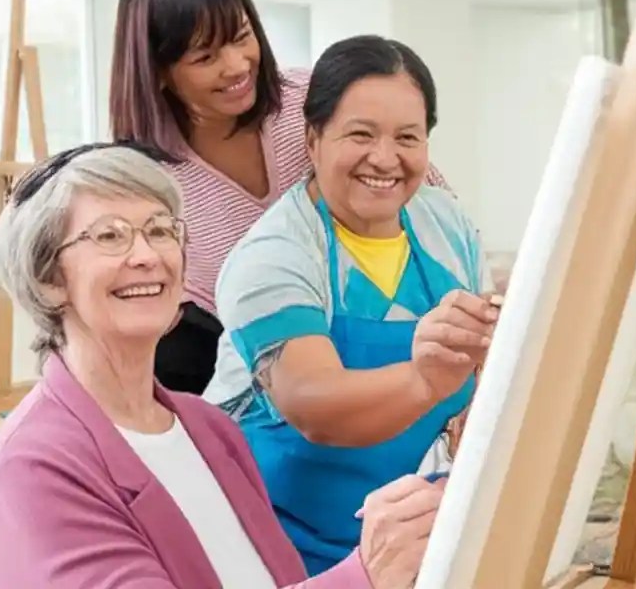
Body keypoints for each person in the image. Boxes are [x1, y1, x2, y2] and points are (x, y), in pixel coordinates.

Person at [0, 142, 445, 588]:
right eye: (110, 236)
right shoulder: (35, 466)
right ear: (49, 279)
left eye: (160, 230)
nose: (147, 256)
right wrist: (365, 574)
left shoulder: (210, 426)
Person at [202, 35, 495, 574]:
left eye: (407, 137)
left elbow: (484, 360)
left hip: (398, 537)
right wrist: (427, 380)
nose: (385, 158)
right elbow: (315, 407)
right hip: (273, 546)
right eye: (361, 134)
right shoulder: (273, 255)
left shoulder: (446, 225)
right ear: (313, 139)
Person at [107, 0, 448, 392]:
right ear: (158, 73)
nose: (236, 66)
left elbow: (426, 194)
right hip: (271, 373)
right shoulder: (150, 183)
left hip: (394, 327)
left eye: (242, 37)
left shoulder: (308, 99)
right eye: (205, 56)